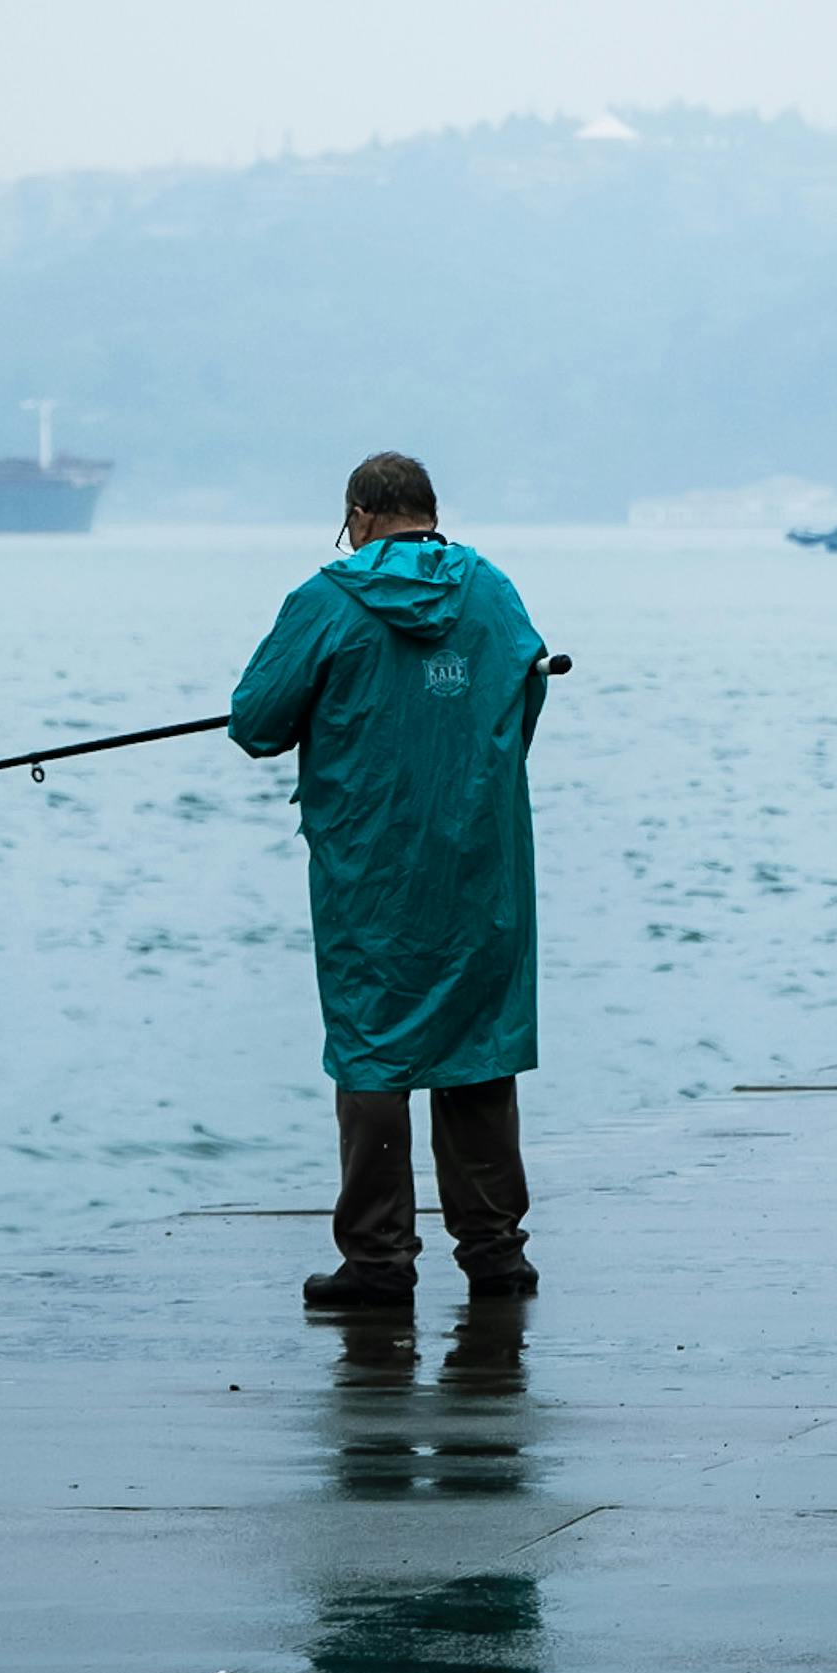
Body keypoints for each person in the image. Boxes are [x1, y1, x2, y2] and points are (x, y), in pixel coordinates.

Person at [229, 450, 551, 1312]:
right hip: (480, 861)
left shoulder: (326, 600)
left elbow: (256, 723)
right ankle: (494, 1254)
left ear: (361, 517)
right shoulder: (492, 591)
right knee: (476, 1044)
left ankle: (378, 1260)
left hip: (370, 871)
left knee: (373, 1046)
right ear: (429, 514)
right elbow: (523, 701)